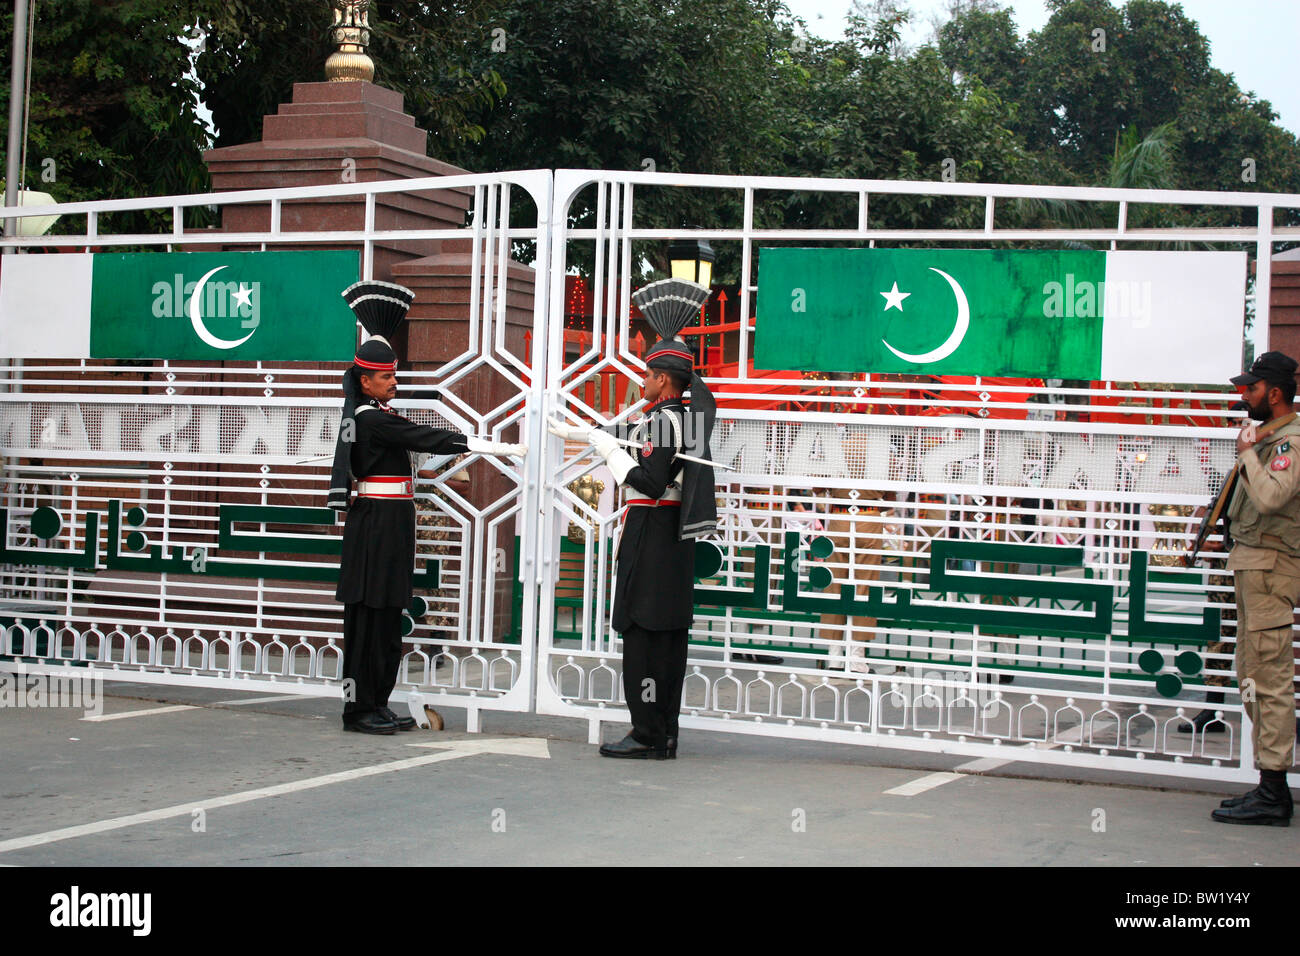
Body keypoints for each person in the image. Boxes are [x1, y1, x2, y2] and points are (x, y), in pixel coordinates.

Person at [548, 284, 718, 759]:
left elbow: (647, 480)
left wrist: (608, 453)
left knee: (643, 637)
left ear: (664, 380)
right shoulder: (678, 419)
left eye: (647, 374)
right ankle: (663, 733)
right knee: (666, 640)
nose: (642, 381)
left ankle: (645, 733)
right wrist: (594, 433)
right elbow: (636, 445)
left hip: (652, 533)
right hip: (670, 539)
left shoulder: (664, 420)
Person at [328, 336, 525, 735]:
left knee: (386, 618)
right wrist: (481, 444)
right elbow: (421, 436)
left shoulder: (376, 415)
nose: (393, 382)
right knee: (368, 617)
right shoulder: (369, 419)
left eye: (393, 375)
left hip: (392, 521)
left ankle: (377, 703)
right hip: (375, 525)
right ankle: (358, 709)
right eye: (385, 377)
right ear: (365, 382)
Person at [1212, 350, 1300, 825]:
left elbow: (1270, 498)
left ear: (1276, 392)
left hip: (1271, 570)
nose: (1244, 395)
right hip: (1254, 567)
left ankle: (1274, 794)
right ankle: (1269, 787)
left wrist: (1248, 452)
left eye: (1251, 388)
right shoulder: (1268, 439)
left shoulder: (1290, 442)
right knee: (1252, 675)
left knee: (1269, 679)